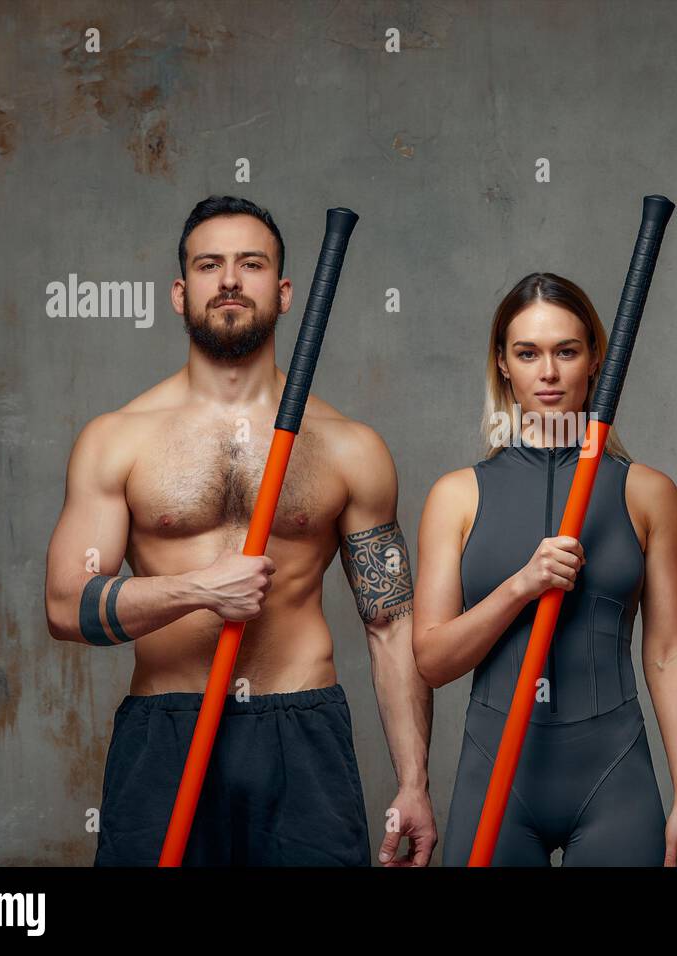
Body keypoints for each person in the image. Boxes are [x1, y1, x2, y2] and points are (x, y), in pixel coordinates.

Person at [44, 196, 436, 866]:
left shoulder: (349, 447)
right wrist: (196, 589)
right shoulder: (117, 440)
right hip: (165, 732)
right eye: (209, 265)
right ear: (180, 291)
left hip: (300, 730)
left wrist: (414, 781)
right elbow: (65, 606)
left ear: (284, 293)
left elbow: (390, 624)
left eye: (251, 265)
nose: (229, 280)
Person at [413, 273, 677, 866]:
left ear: (595, 358)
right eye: (528, 353)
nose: (548, 373)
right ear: (503, 363)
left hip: (614, 778)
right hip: (496, 776)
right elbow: (433, 660)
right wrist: (522, 586)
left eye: (566, 351)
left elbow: (669, 651)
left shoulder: (647, 493)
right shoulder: (456, 496)